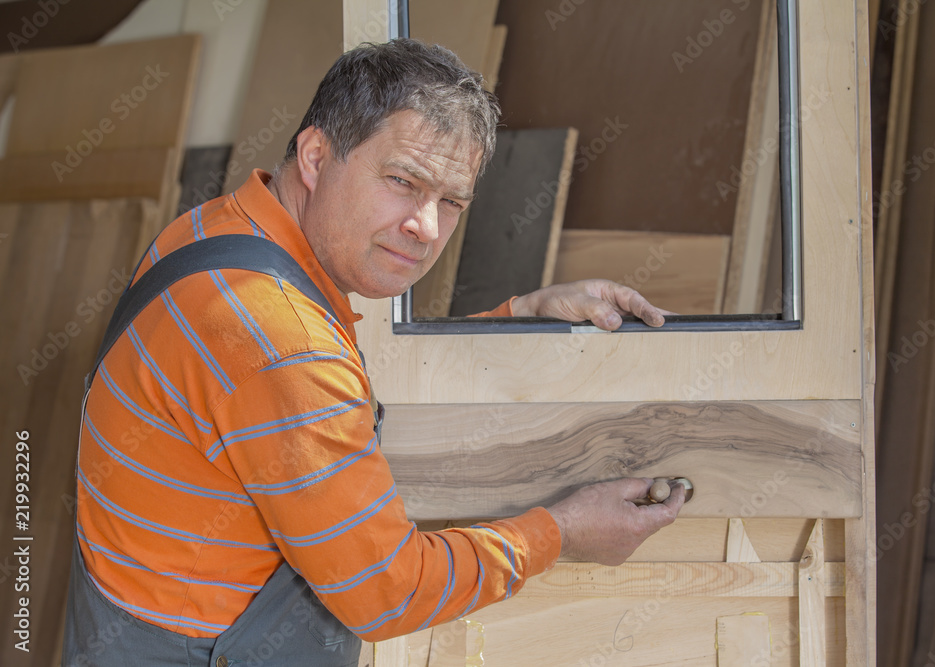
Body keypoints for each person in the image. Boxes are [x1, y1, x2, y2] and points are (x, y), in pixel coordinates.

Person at [61, 38, 685, 667]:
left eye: (452, 201)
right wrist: (565, 532)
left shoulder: (214, 231)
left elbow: (317, 390)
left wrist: (517, 315)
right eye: (402, 182)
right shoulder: (280, 340)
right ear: (314, 156)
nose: (427, 226)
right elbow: (390, 593)